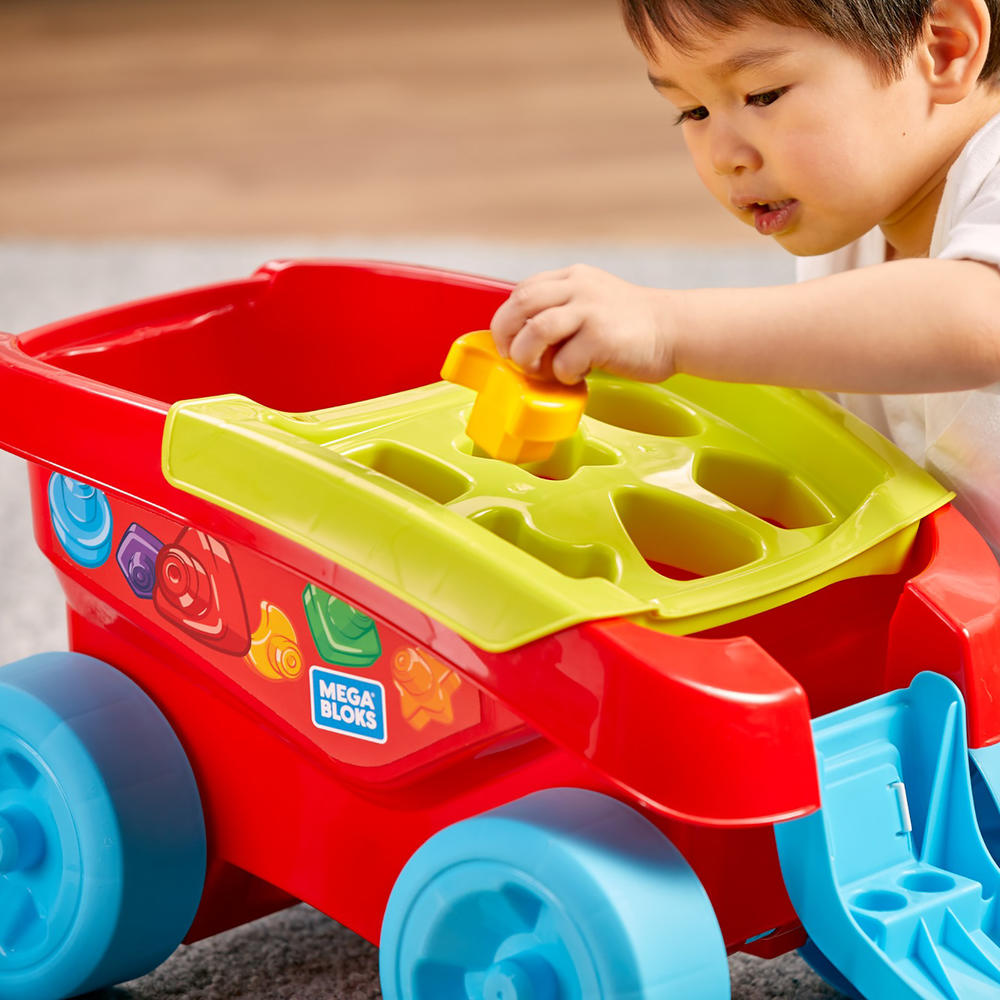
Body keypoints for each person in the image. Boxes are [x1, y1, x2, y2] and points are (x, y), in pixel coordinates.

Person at [489, 0, 1000, 552]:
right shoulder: (855, 213)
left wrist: (667, 327)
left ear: (944, 49)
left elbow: (978, 311)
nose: (723, 157)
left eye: (763, 95)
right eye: (693, 112)